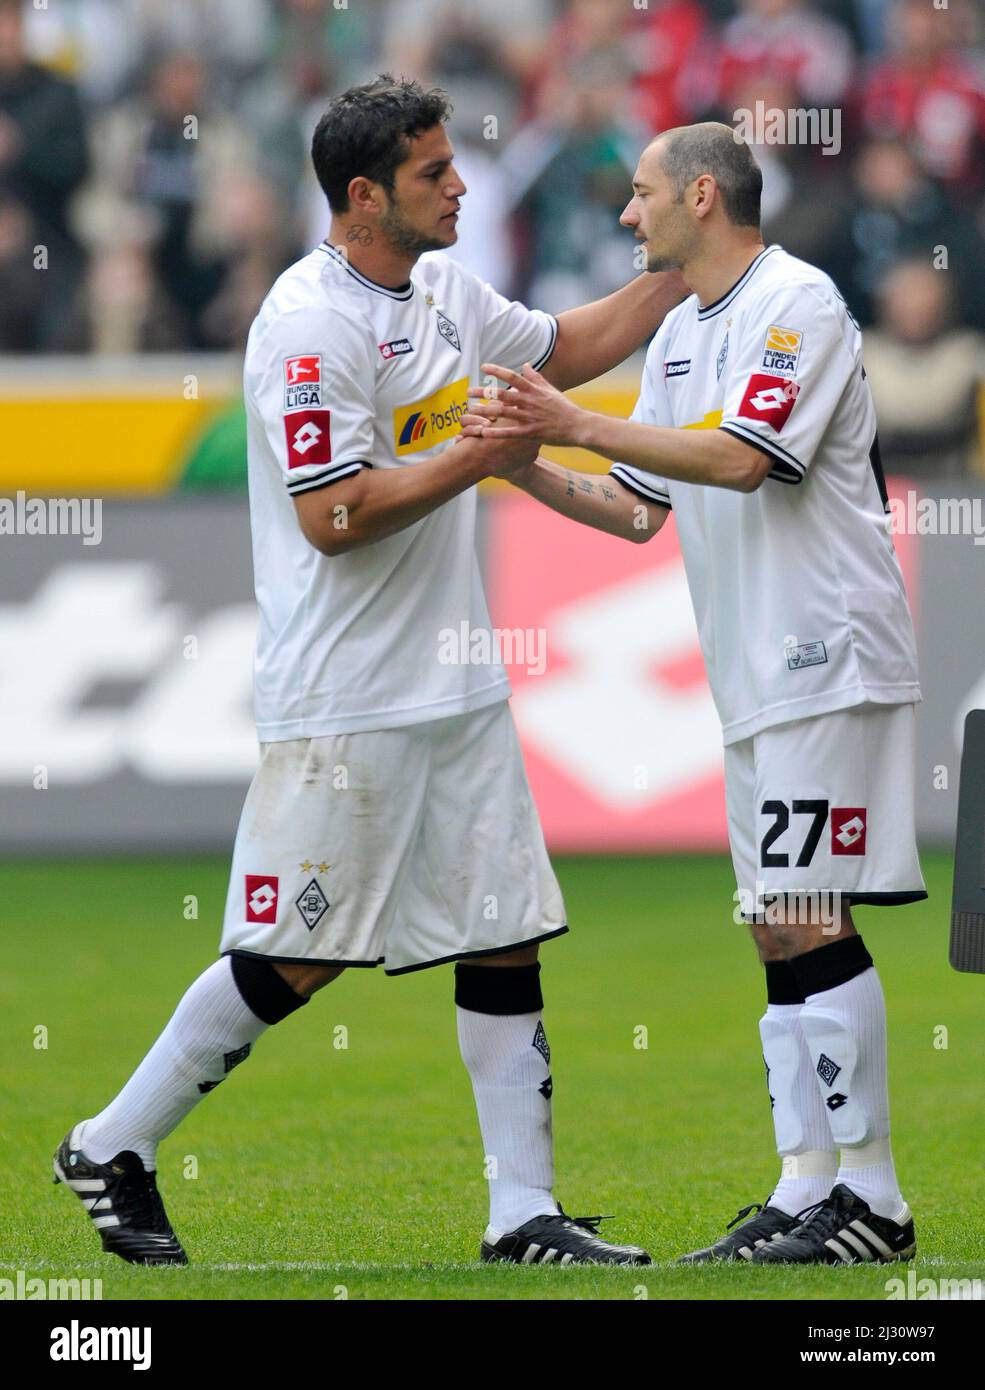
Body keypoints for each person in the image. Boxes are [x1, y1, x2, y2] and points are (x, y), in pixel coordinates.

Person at [53, 75, 688, 1269]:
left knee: (503, 934)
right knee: (298, 955)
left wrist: (689, 262)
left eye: (453, 166)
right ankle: (112, 1141)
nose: (459, 187)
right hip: (348, 696)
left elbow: (571, 345)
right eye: (434, 173)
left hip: (455, 684)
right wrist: (476, 453)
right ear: (362, 196)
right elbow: (333, 514)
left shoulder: (444, 287)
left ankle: (522, 1213)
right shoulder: (306, 325)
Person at [463, 122, 926, 1266]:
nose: (628, 217)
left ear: (703, 196)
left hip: (826, 651)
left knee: (809, 911)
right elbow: (634, 507)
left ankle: (873, 1197)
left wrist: (570, 413)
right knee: (775, 923)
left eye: (641, 195)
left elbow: (745, 459)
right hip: (755, 672)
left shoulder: (798, 304)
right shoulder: (678, 339)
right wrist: (521, 457)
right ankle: (802, 1182)